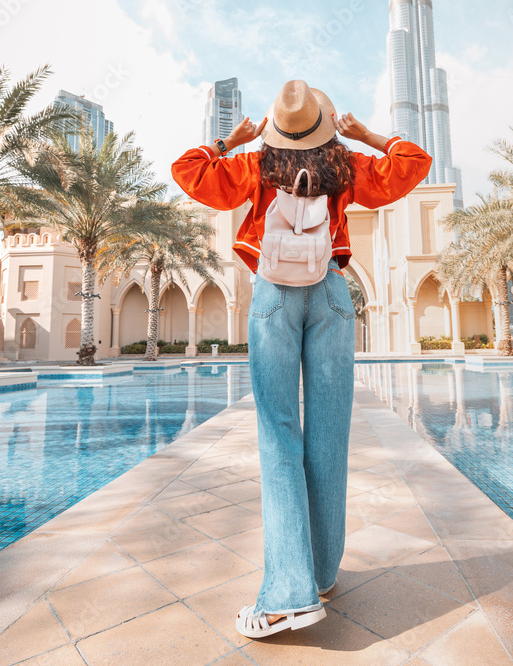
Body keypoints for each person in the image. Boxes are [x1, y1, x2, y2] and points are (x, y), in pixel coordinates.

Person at [171, 79, 432, 639]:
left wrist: (225, 142)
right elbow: (414, 163)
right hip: (334, 294)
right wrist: (369, 135)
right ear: (325, 123)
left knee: (279, 435)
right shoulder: (347, 166)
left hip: (274, 296)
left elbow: (187, 171)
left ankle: (289, 595)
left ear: (274, 127)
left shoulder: (254, 166)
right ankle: (318, 572)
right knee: (329, 434)